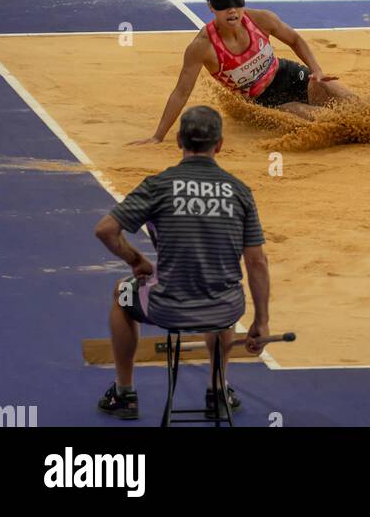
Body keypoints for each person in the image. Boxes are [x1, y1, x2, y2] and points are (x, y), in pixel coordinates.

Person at [95, 106, 269, 421]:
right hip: (225, 308)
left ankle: (124, 393)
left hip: (168, 307)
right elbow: (256, 262)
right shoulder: (240, 192)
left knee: (122, 293)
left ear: (178, 141)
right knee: (223, 287)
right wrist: (262, 321)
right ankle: (217, 391)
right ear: (220, 145)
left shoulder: (157, 186)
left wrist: (136, 260)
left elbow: (105, 230)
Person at [133, 0, 358, 145]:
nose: (232, 9)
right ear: (211, 6)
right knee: (330, 122)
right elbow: (181, 92)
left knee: (353, 103)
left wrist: (316, 70)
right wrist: (158, 136)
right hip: (266, 100)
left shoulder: (261, 19)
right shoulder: (202, 47)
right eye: (223, 3)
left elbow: (295, 40)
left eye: (236, 1)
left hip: (292, 75)